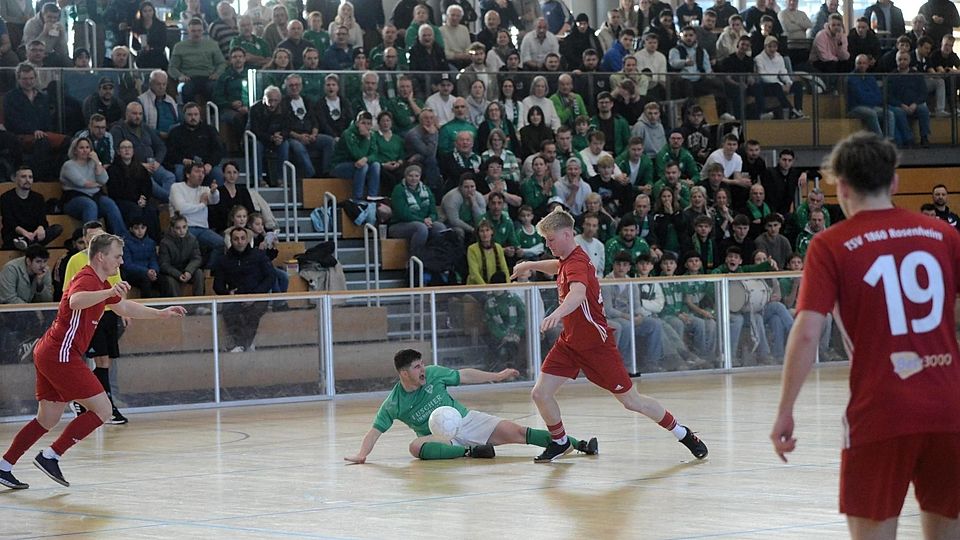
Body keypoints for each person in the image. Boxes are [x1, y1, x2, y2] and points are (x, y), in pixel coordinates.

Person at [772, 131, 960, 539]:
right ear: (894, 182)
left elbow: (806, 333)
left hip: (881, 411)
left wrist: (786, 408)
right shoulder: (944, 236)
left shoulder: (830, 244)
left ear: (840, 186)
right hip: (950, 408)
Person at [509, 207, 708, 462]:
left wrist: (557, 313)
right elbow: (557, 266)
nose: (548, 245)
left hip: (596, 346)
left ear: (568, 235)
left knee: (632, 401)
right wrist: (531, 264)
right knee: (540, 393)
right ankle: (560, 442)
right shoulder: (568, 259)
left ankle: (684, 434)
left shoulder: (578, 263)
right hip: (570, 344)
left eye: (551, 239)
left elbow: (577, 293)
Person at [0, 233, 186, 489]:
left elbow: (123, 308)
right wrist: (109, 290)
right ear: (101, 256)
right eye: (117, 256)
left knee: (47, 419)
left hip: (51, 352)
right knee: (103, 410)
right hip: (60, 354)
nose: (120, 262)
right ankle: (50, 456)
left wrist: (160, 314)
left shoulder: (101, 283)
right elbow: (75, 300)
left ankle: (4, 466)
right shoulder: (88, 278)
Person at [345, 348, 597, 463]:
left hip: (467, 421)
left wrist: (496, 376)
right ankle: (470, 453)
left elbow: (464, 375)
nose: (423, 369)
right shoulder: (394, 402)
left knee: (519, 432)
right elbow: (375, 430)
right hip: (440, 438)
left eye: (422, 364)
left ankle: (578, 444)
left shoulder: (434, 374)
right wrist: (362, 454)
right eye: (417, 367)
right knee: (415, 447)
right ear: (403, 374)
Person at [212, 227, 274, 353]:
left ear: (247, 240)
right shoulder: (223, 260)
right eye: (236, 239)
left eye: (242, 238)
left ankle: (245, 344)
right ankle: (242, 345)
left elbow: (270, 277)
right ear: (231, 240)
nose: (239, 241)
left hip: (258, 296)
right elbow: (217, 285)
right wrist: (228, 294)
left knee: (252, 313)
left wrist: (255, 295)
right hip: (235, 297)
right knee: (230, 311)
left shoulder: (259, 256)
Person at [108, 140, 160, 242]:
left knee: (151, 209)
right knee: (135, 210)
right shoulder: (113, 169)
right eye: (123, 147)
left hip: (140, 200)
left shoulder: (140, 168)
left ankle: (154, 242)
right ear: (118, 151)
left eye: (129, 147)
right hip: (122, 201)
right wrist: (137, 199)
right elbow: (115, 191)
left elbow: (147, 186)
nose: (127, 150)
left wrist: (144, 198)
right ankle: (133, 241)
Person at [0, 166, 62, 250]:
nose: (27, 180)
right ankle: (28, 244)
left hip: (34, 235)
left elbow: (42, 220)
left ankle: (27, 243)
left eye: (30, 177)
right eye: (23, 177)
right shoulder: (6, 197)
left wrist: (40, 228)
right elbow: (9, 222)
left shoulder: (38, 198)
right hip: (15, 235)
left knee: (57, 228)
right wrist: (25, 233)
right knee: (12, 237)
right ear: (15, 179)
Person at [168, 18, 227, 104]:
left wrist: (217, 74)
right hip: (189, 78)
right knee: (186, 89)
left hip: (208, 77)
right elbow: (172, 67)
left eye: (199, 30)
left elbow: (221, 63)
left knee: (214, 88)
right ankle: (189, 113)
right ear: (188, 31)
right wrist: (179, 76)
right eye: (193, 31)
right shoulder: (179, 46)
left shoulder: (212, 45)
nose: (196, 34)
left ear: (203, 31)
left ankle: (213, 115)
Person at [165, 102, 226, 185]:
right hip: (184, 165)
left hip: (206, 164)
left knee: (218, 174)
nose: (193, 117)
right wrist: (182, 160)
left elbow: (218, 150)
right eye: (189, 115)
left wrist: (210, 164)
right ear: (184, 115)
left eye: (196, 114)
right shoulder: (175, 132)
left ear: (200, 115)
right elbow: (169, 152)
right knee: (179, 172)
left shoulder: (210, 130)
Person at [888, 51, 932, 148]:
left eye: (905, 59)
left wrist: (915, 104)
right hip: (899, 105)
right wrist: (901, 105)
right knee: (899, 112)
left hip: (915, 104)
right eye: (900, 59)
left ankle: (924, 137)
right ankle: (909, 139)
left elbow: (923, 93)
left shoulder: (916, 75)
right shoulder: (891, 76)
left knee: (924, 109)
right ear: (896, 60)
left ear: (909, 60)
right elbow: (888, 96)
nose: (902, 62)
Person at [158, 214, 205, 299]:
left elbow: (197, 258)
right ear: (172, 228)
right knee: (170, 281)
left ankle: (200, 304)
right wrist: (178, 274)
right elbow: (164, 264)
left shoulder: (192, 239)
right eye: (178, 228)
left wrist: (189, 271)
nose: (182, 230)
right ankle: (177, 306)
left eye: (184, 227)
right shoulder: (165, 242)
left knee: (199, 273)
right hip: (172, 272)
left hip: (187, 270)